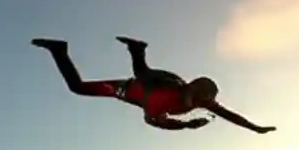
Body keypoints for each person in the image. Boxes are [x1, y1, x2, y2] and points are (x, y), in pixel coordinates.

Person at [31, 36, 276, 134]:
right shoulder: (167, 98)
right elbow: (154, 121)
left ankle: (137, 51)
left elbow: (229, 115)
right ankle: (59, 50)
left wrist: (256, 128)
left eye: (197, 100)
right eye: (192, 96)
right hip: (134, 88)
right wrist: (186, 125)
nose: (194, 103)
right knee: (80, 87)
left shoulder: (201, 99)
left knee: (144, 74)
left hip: (148, 85)